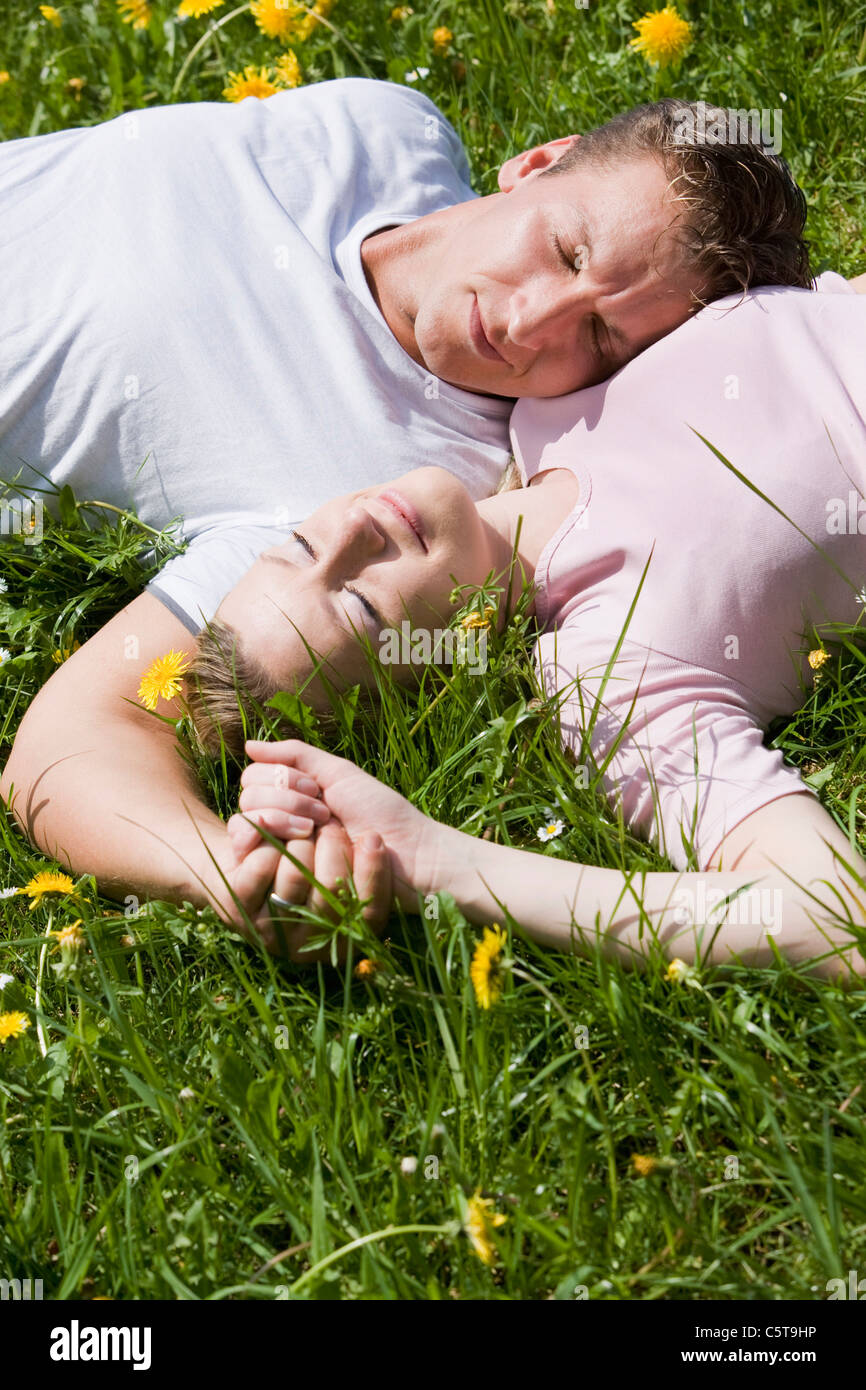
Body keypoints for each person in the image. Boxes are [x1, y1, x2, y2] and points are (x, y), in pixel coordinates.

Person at [1, 89, 812, 918]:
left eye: (601, 340)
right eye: (567, 252)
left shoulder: (374, 506)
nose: (529, 323)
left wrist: (235, 877)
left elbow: (81, 736)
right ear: (537, 163)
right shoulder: (394, 123)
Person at [199, 273, 866, 980]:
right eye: (360, 604)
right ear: (431, 684)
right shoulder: (607, 673)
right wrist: (434, 860)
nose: (349, 535)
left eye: (300, 549)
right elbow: (833, 914)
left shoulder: (541, 392)